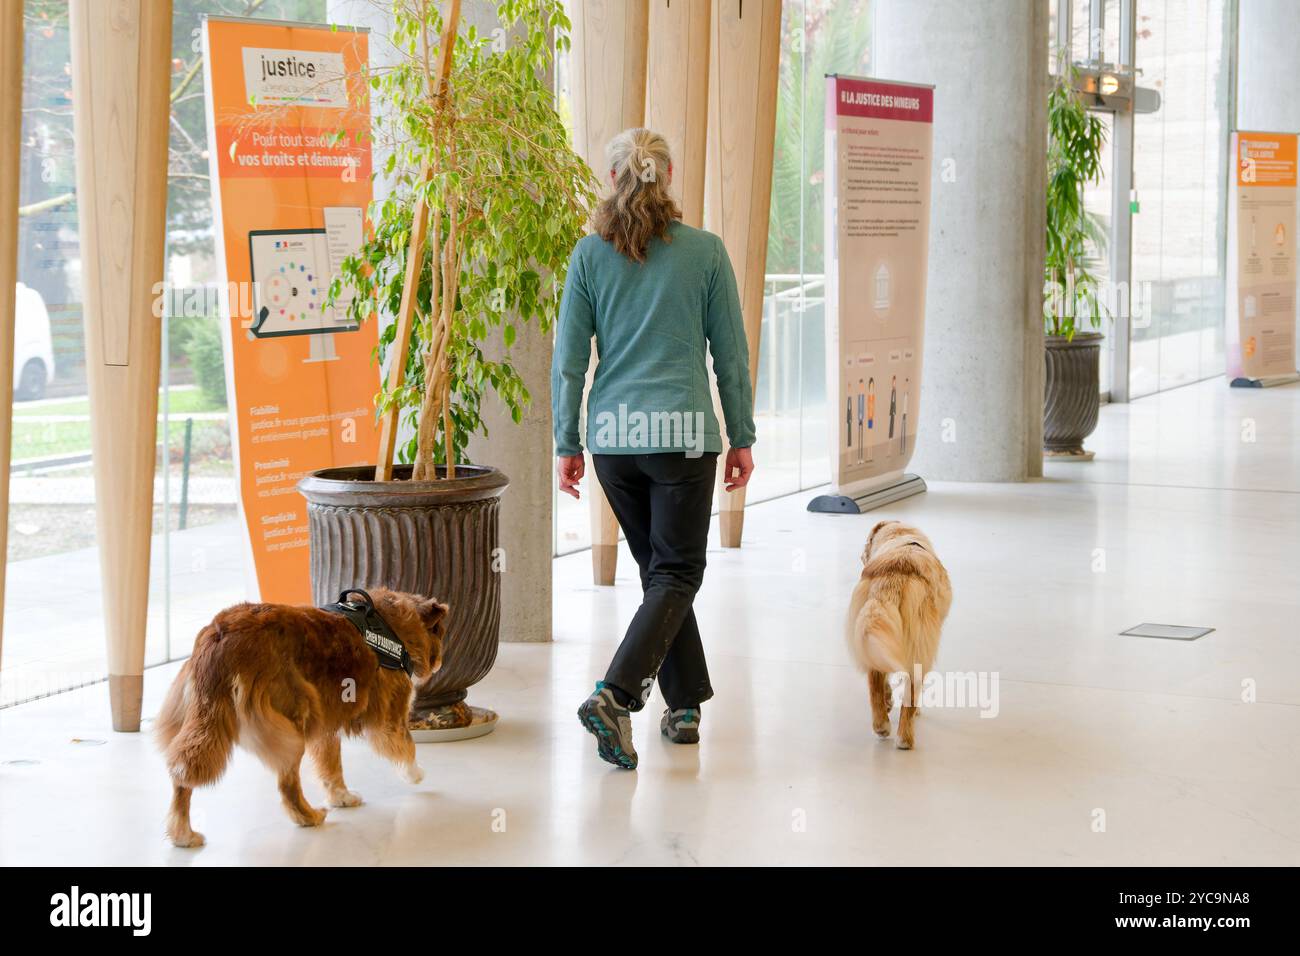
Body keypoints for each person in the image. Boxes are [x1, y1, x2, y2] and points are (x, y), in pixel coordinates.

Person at [551, 127, 756, 770]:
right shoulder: (706, 252)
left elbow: (568, 362)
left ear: (613, 181)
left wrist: (567, 440)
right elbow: (731, 355)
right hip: (682, 438)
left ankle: (686, 702)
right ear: (666, 177)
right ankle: (615, 695)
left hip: (614, 442)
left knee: (658, 574)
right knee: (676, 574)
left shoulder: (588, 256)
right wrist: (742, 435)